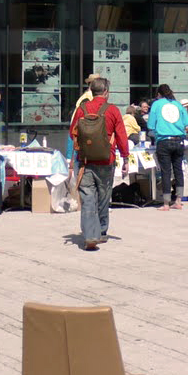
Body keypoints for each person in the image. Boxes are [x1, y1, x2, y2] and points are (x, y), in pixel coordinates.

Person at [70, 76, 127, 250]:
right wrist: (125, 157)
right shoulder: (113, 110)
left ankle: (90, 235)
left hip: (85, 161)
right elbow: (121, 136)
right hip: (106, 160)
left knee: (88, 198)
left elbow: (72, 133)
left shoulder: (82, 109)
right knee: (103, 197)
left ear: (91, 91)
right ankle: (101, 232)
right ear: (106, 92)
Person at [147, 84, 188, 210]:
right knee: (178, 170)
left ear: (159, 94)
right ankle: (178, 200)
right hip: (179, 140)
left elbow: (151, 125)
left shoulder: (156, 104)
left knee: (166, 172)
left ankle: (166, 203)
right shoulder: (178, 105)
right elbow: (187, 123)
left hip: (164, 140)